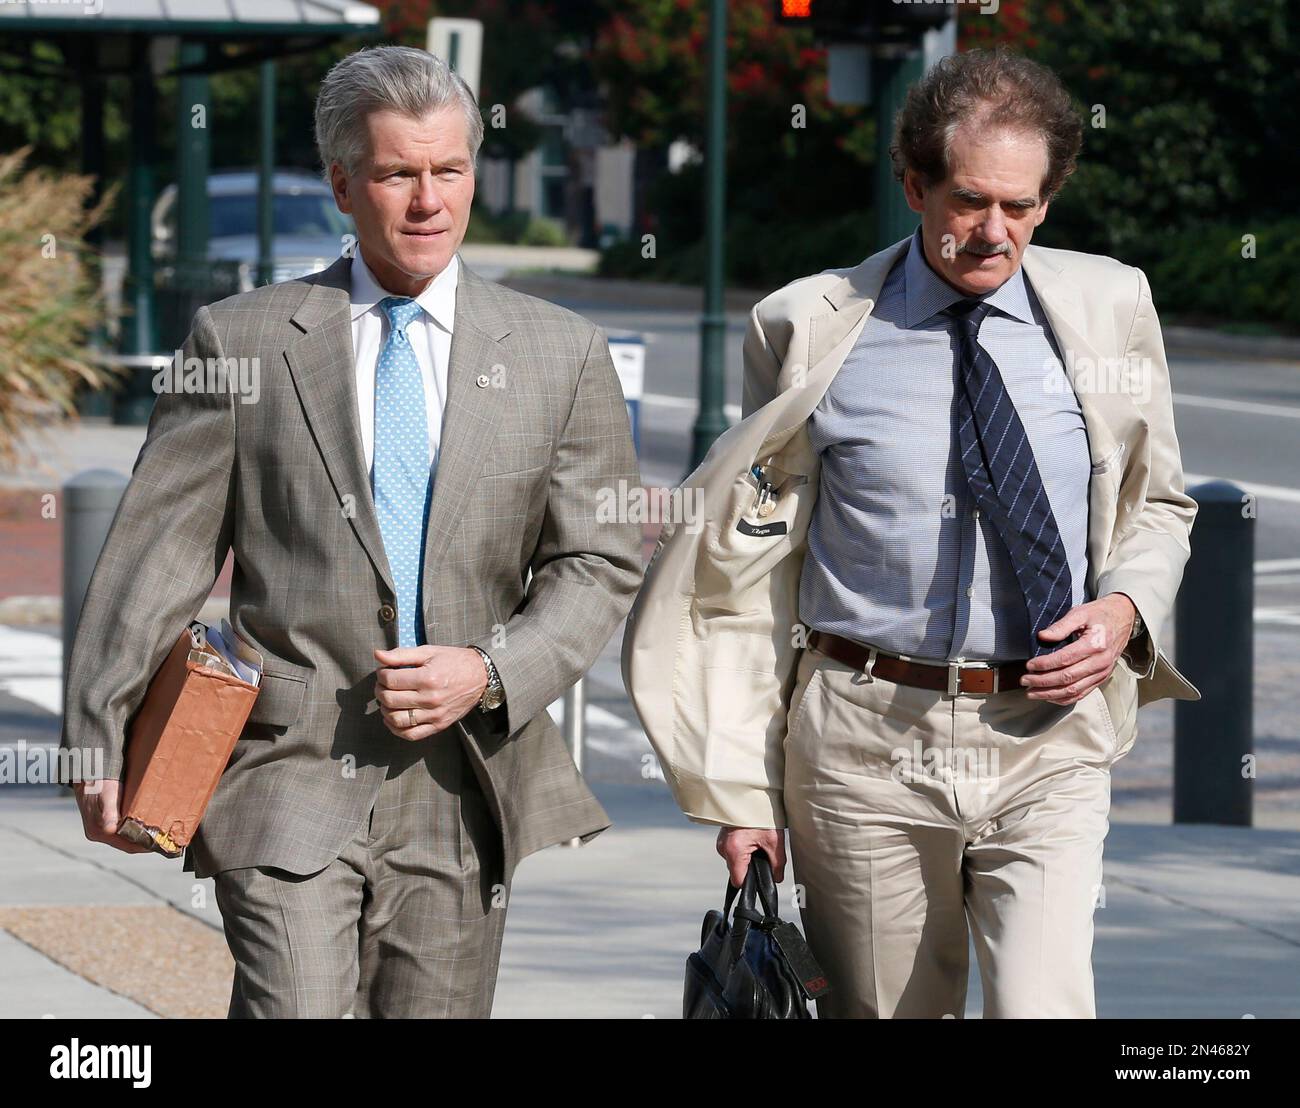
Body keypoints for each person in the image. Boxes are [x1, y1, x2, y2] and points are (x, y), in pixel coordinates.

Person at [61, 45, 643, 1018]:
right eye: (397, 174)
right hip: (283, 769)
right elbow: (157, 553)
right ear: (341, 184)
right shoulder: (240, 341)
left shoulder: (561, 353)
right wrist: (95, 736)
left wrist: (490, 670)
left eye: (449, 170)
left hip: (464, 784)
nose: (429, 201)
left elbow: (597, 560)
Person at [623, 47, 1200, 1018]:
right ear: (914, 185)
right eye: (969, 200)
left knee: (1044, 1005)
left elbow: (1160, 502)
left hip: (1048, 739)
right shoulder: (805, 326)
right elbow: (751, 576)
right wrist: (743, 793)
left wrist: (1124, 610)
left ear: (1048, 201)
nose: (993, 231)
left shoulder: (1110, 307)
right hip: (863, 743)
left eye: (1020, 206)